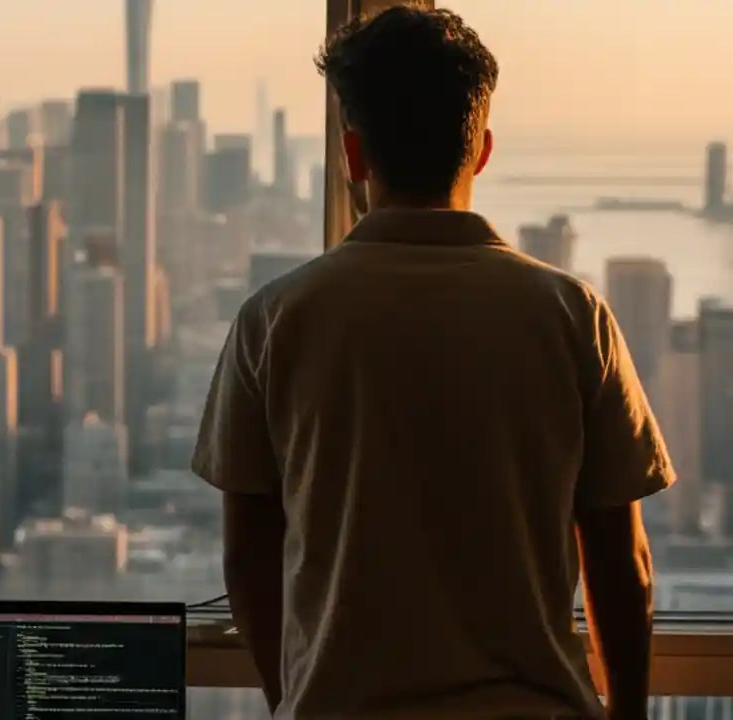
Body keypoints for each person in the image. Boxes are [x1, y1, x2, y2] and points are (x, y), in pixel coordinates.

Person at [193, 6, 673, 720]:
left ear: (353, 155)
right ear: (480, 149)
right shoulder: (573, 317)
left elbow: (250, 559)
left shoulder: (275, 320)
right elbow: (620, 565)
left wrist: (288, 700)